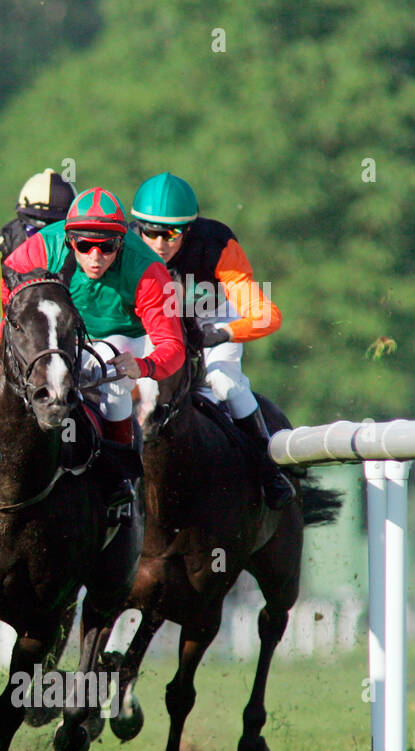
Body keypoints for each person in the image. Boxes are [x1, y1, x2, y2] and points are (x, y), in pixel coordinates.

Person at [1, 186, 185, 520]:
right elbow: (7, 279)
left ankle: (118, 475)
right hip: (61, 329)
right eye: (84, 246)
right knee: (1, 371)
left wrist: (142, 365)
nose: (95, 257)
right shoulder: (44, 246)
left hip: (124, 335)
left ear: (122, 241)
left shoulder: (149, 270)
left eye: (108, 247)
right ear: (70, 241)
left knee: (106, 375)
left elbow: (173, 348)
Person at [130, 172, 295, 507]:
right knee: (135, 384)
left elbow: (266, 314)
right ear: (138, 228)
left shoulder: (217, 243)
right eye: (151, 232)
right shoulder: (126, 246)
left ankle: (268, 474)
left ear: (188, 229)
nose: (160, 244)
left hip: (214, 317)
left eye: (171, 233)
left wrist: (222, 333)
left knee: (223, 382)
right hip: (158, 322)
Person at [0, 168, 77, 259]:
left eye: (55, 234)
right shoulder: (8, 238)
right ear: (22, 222)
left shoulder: (84, 246)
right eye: (35, 232)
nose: (45, 244)